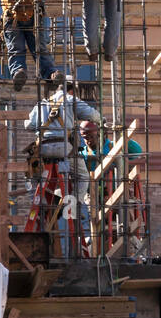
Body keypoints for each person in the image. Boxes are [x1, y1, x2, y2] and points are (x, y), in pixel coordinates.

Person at [24, 77, 103, 253]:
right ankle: (73, 201)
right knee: (83, 175)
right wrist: (101, 120)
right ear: (72, 90)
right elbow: (93, 116)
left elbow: (28, 125)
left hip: (43, 149)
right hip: (62, 149)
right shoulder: (71, 100)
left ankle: (40, 201)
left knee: (35, 178)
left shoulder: (42, 102)